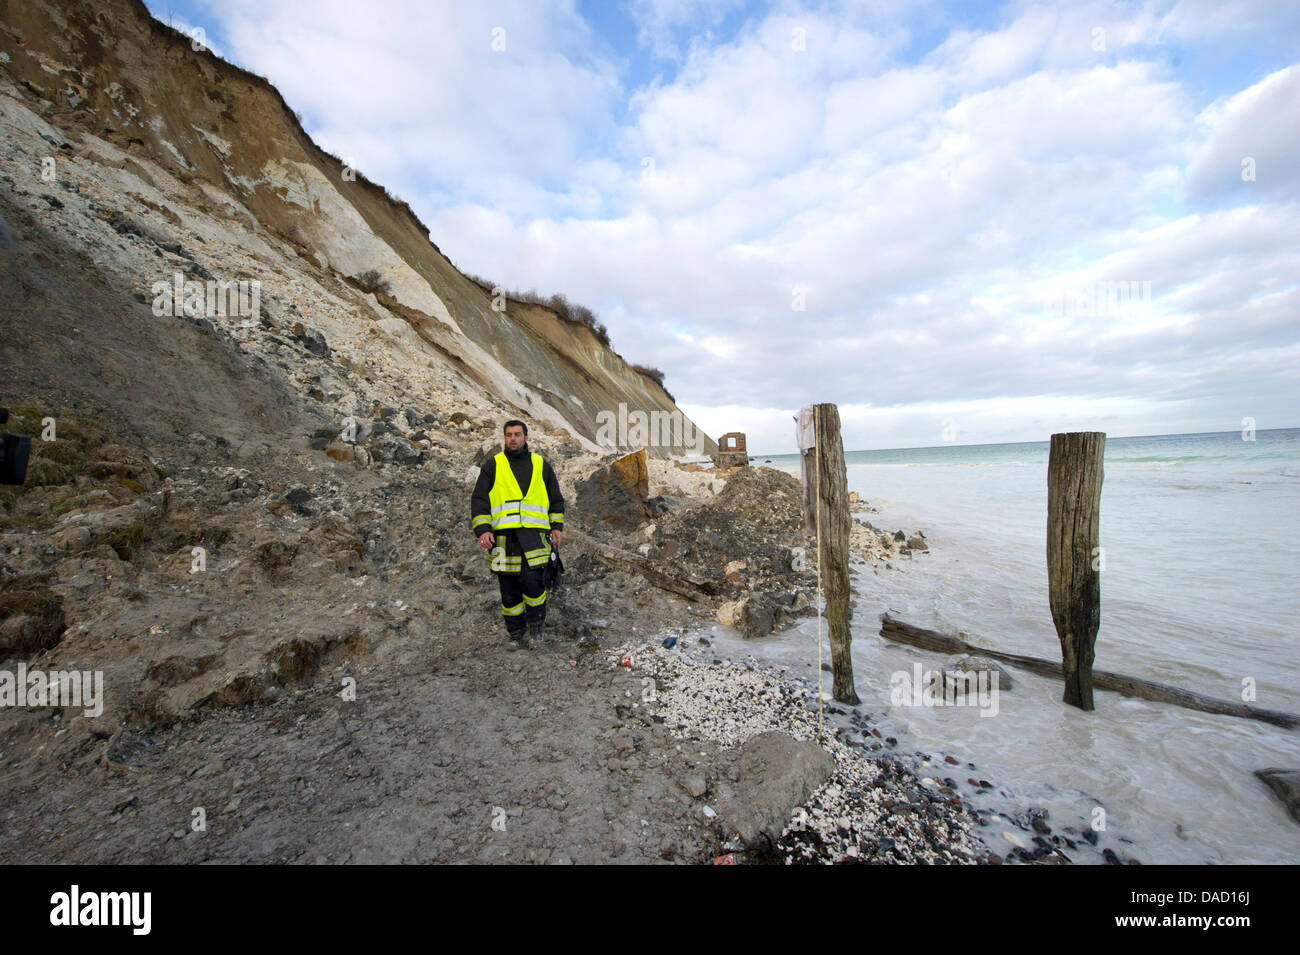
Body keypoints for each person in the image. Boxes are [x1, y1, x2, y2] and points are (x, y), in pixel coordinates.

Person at [470, 419, 565, 649]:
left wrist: (556, 527)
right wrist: (483, 530)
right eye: (509, 435)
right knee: (509, 591)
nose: (513, 438)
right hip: (503, 540)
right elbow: (479, 500)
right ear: (504, 438)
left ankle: (536, 630)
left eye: (517, 434)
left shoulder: (541, 465)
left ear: (526, 437)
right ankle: (515, 634)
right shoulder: (493, 465)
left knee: (535, 586)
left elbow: (555, 499)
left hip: (534, 538)